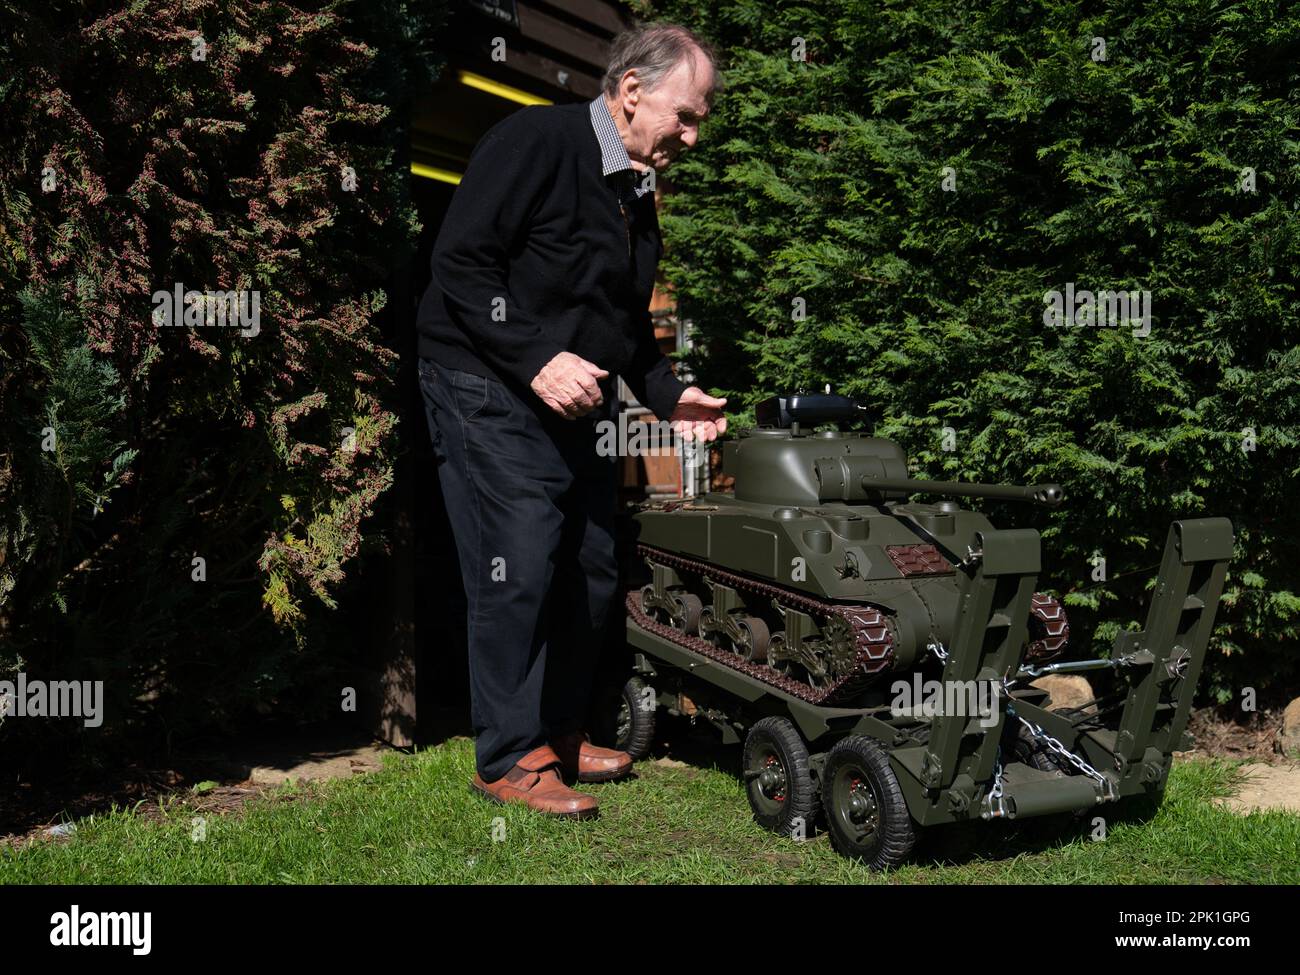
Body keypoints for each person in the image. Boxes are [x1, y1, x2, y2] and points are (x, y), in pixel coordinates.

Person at [416, 23, 727, 818]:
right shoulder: (534, 142)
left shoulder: (635, 192)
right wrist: (533, 358)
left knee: (590, 563)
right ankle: (510, 755)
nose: (693, 135)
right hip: (483, 383)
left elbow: (620, 318)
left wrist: (666, 395)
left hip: (574, 398)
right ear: (630, 91)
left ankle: (558, 730)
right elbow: (459, 263)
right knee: (516, 558)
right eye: (685, 115)